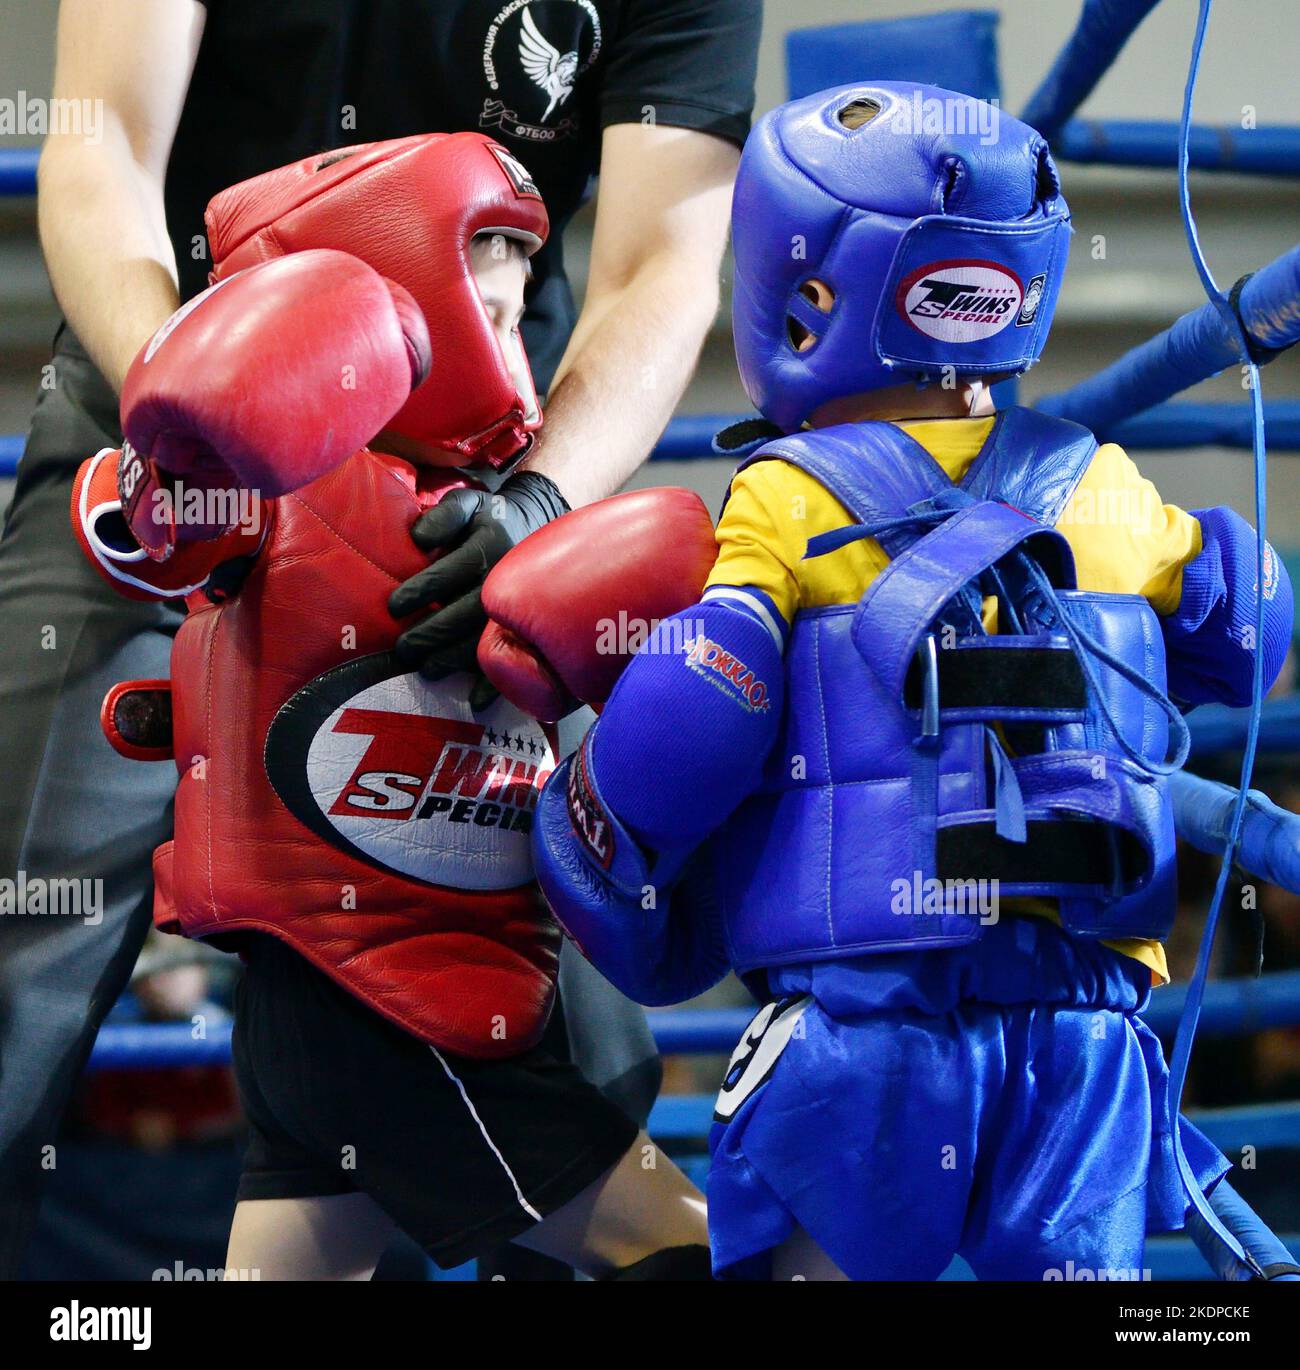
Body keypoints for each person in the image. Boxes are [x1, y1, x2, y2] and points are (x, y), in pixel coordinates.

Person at [478, 83, 1296, 1279]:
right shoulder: (1104, 485)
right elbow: (1248, 627)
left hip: (872, 1026)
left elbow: (709, 698)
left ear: (803, 294)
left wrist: (591, 831)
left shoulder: (790, 494)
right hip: (1083, 1047)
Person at [1, 0, 759, 1274]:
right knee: (24, 919)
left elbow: (660, 264)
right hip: (168, 406)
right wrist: (217, 418)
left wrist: (538, 502)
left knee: (536, 997)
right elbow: (104, 146)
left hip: (477, 470)